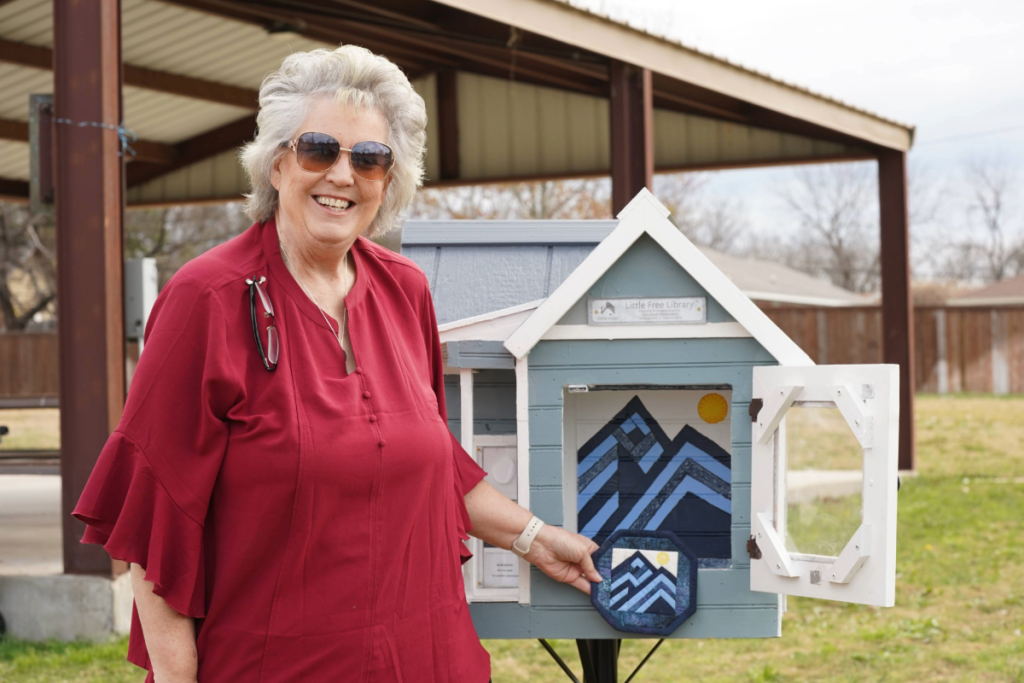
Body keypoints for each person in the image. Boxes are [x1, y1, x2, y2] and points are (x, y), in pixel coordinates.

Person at [72, 45, 601, 683]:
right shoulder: (204, 299)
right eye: (319, 149)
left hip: (425, 658)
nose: (343, 176)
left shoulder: (406, 291)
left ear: (389, 179)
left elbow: (434, 465)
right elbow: (156, 528)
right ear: (276, 165)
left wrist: (536, 538)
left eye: (370, 160)